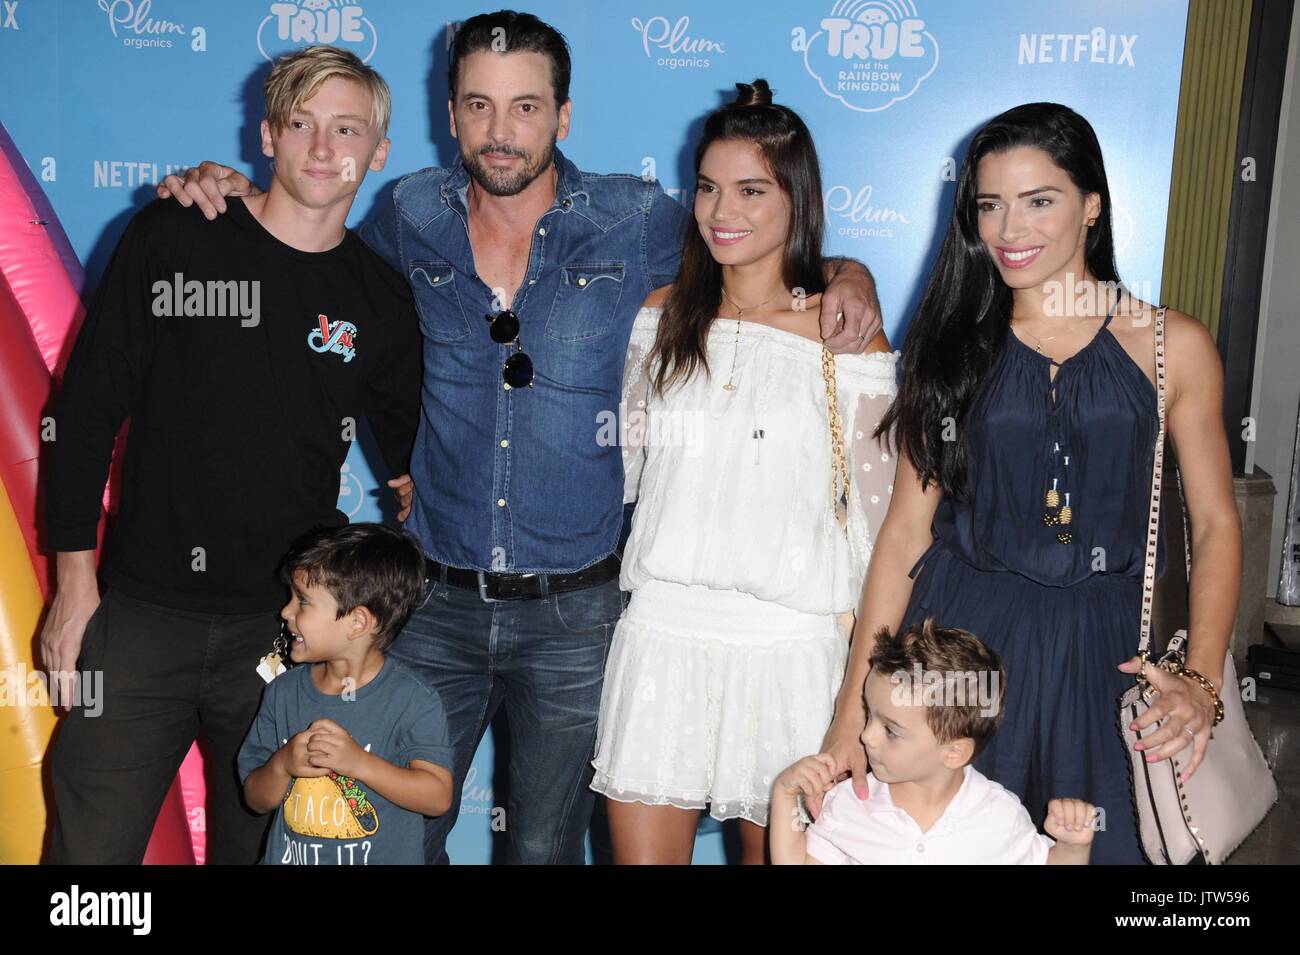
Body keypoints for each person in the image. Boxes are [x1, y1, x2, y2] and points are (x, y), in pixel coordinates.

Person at [157, 10, 884, 864]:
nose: (501, 133)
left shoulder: (638, 217)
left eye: (527, 107)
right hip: (432, 599)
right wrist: (236, 189)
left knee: (540, 849)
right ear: (450, 112)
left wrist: (848, 272)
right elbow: (312, 238)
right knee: (387, 836)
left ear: (563, 116)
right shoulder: (409, 212)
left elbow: (755, 248)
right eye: (478, 106)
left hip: (580, 616)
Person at [818, 103, 1242, 864]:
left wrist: (1200, 684)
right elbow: (906, 537)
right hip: (964, 650)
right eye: (990, 204)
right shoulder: (950, 346)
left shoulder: (1172, 346)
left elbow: (1213, 524)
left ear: (1092, 206)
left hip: (1108, 656)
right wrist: (852, 713)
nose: (1009, 230)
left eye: (1039, 200)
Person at [42, 45, 421, 863]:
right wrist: (73, 584)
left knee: (265, 852)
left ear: (379, 152)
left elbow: (419, 456)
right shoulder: (176, 234)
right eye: (303, 124)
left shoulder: (380, 300)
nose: (324, 148)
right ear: (269, 135)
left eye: (347, 129)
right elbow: (83, 414)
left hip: (283, 634)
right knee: (86, 867)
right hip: (140, 617)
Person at [591, 80, 897, 864]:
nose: (723, 210)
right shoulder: (660, 316)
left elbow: (883, 534)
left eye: (752, 190)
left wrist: (860, 696)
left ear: (796, 199)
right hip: (661, 635)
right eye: (708, 187)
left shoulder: (846, 335)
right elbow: (626, 472)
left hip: (793, 653)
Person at [770, 619, 1096, 865]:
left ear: (955, 752)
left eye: (891, 730)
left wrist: (1072, 847)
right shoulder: (850, 803)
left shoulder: (998, 814)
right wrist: (785, 795)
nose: (866, 736)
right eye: (869, 715)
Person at [239, 523, 454, 865]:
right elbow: (255, 797)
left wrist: (359, 763)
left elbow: (437, 796)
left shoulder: (413, 700)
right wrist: (283, 764)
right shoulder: (283, 693)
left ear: (357, 623)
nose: (286, 612)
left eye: (303, 601)